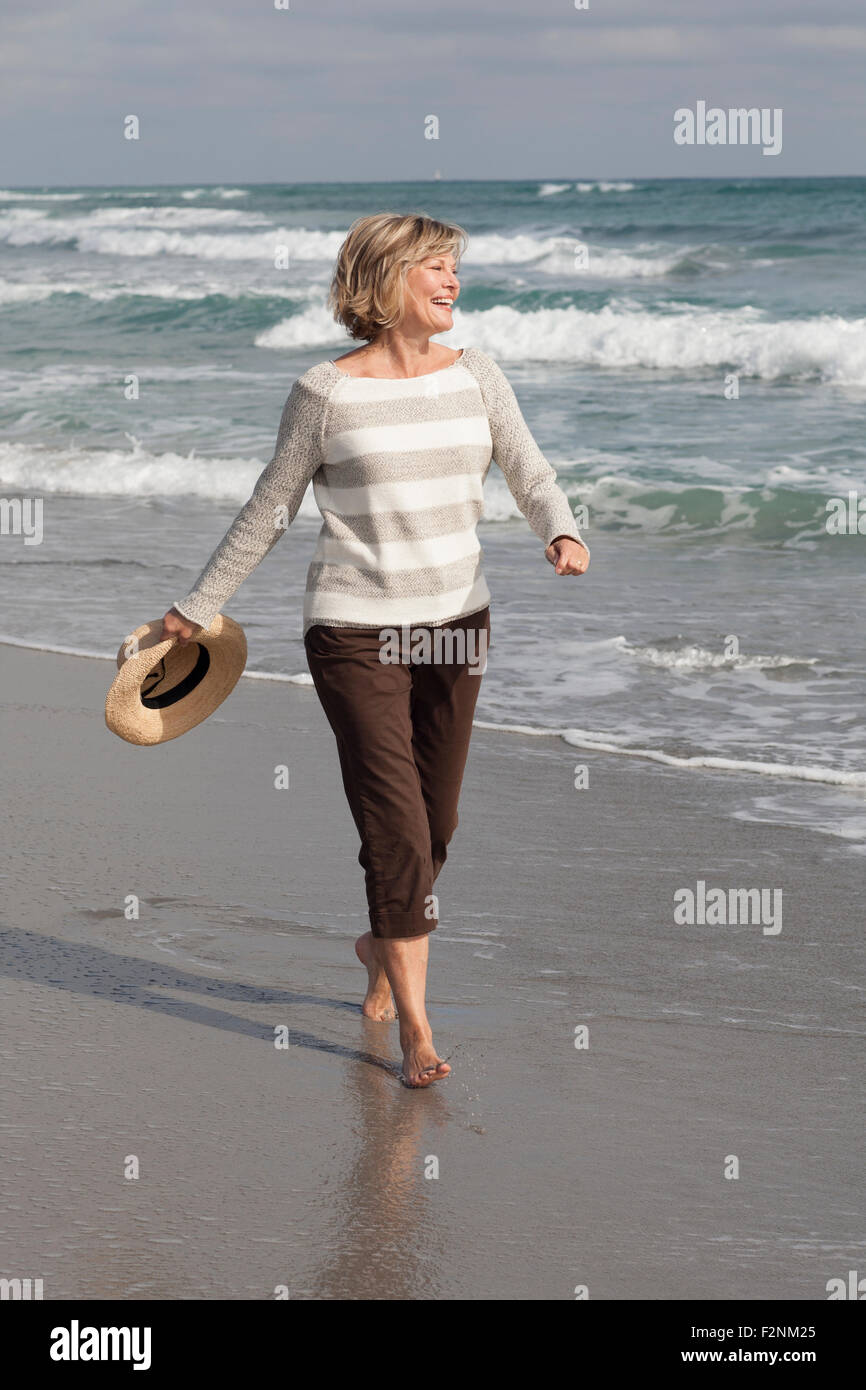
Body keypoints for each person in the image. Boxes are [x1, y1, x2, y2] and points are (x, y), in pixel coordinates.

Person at [159, 212, 590, 1086]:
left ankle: (380, 943)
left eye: (453, 267)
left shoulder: (480, 378)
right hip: (354, 630)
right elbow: (271, 508)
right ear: (381, 282)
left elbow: (528, 469)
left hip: (457, 624)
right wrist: (198, 606)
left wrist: (560, 530)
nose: (450, 281)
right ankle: (417, 1030)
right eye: (432, 266)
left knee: (439, 822)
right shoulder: (326, 393)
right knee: (394, 825)